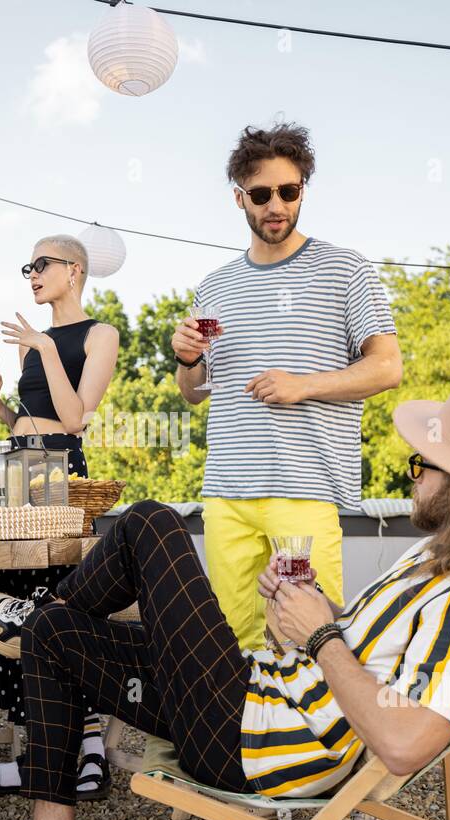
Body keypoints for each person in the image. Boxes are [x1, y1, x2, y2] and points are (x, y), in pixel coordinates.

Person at [0, 376, 450, 820]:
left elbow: (403, 742)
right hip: (250, 697)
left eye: (423, 463)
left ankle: (38, 607)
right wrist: (316, 610)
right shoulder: (436, 562)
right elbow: (372, 657)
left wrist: (319, 636)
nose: (413, 473)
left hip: (247, 738)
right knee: (54, 636)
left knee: (149, 523)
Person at [171, 123, 402, 657]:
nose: (276, 204)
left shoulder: (347, 269)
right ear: (239, 199)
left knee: (309, 634)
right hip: (227, 491)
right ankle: (246, 739)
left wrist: (305, 386)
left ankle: (316, 740)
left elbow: (387, 367)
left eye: (289, 191)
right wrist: (185, 358)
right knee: (232, 641)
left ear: (302, 191)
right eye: (261, 194)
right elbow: (194, 391)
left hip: (305, 490)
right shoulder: (215, 285)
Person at [0, 234, 120, 800]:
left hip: (60, 468)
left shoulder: (99, 334)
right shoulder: (33, 344)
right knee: (17, 597)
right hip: (16, 465)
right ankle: (42, 754)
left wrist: (48, 350)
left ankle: (92, 747)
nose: (31, 275)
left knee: (59, 598)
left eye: (41, 265)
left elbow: (76, 416)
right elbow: (22, 420)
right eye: (26, 267)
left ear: (73, 271)